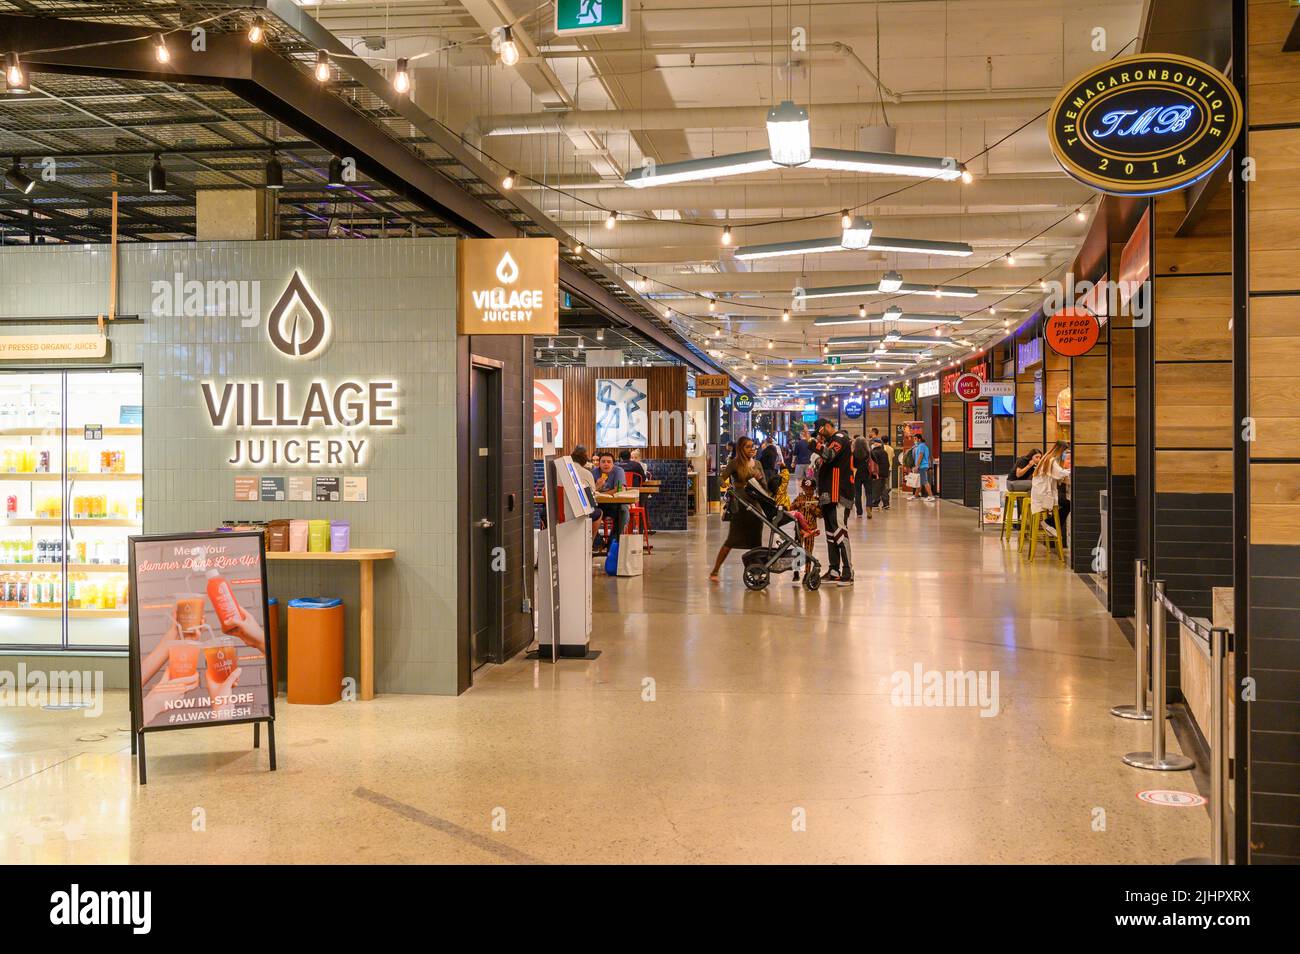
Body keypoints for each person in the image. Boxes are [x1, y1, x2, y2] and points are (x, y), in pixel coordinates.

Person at [710, 436, 765, 581]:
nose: (751, 449)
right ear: (741, 449)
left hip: (755, 507)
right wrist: (725, 485)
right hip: (740, 506)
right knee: (731, 540)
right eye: (747, 446)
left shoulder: (758, 464)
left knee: (756, 543)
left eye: (752, 446)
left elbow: (765, 487)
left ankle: (755, 572)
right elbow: (720, 478)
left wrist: (760, 479)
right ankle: (715, 571)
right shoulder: (734, 463)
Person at [810, 418, 855, 585]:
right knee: (831, 534)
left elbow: (828, 456)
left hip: (839, 493)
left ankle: (848, 572)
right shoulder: (832, 442)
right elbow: (822, 461)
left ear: (827, 426)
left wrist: (812, 443)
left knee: (840, 531)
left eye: (821, 432)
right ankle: (834, 569)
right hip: (829, 493)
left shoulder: (840, 438)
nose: (820, 436)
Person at [1031, 441, 1072, 545]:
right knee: (1068, 504)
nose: (1064, 454)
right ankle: (1049, 523)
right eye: (1064, 452)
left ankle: (1050, 524)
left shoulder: (1046, 457)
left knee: (1066, 504)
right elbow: (1059, 474)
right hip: (1044, 495)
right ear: (1060, 450)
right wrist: (1072, 471)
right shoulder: (1052, 460)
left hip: (1039, 493)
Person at [591, 451, 627, 553]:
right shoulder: (594, 472)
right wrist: (597, 486)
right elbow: (590, 492)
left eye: (609, 462)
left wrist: (602, 492)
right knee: (585, 514)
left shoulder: (618, 471)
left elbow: (618, 489)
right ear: (599, 463)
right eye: (603, 462)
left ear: (613, 463)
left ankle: (612, 543)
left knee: (624, 512)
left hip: (615, 505)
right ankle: (598, 542)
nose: (606, 464)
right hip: (599, 505)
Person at [789, 477, 821, 585]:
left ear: (814, 489)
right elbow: (790, 508)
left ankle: (807, 573)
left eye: (810, 489)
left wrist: (813, 508)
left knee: (808, 552)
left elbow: (821, 515)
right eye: (806, 489)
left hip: (811, 530)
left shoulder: (816, 500)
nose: (808, 491)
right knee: (798, 550)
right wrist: (797, 505)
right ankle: (796, 571)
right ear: (803, 488)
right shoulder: (799, 498)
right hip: (799, 529)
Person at [866, 437, 890, 512]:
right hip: (885, 473)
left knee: (876, 488)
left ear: (875, 444)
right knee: (883, 487)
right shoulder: (884, 452)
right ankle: (886, 503)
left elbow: (873, 464)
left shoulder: (873, 452)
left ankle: (875, 503)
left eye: (872, 443)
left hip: (877, 473)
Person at [912, 433, 935, 504]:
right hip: (922, 466)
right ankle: (916, 496)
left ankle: (931, 496)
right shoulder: (923, 446)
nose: (914, 440)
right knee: (919, 482)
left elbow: (920, 456)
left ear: (919, 439)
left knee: (924, 481)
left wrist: (917, 466)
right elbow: (927, 457)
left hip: (921, 466)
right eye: (914, 439)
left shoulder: (921, 446)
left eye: (915, 439)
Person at [876, 432, 895, 510]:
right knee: (885, 484)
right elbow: (893, 457)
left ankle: (880, 501)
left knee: (880, 485)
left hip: (881, 469)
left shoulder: (881, 448)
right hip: (889, 468)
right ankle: (885, 501)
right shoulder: (891, 448)